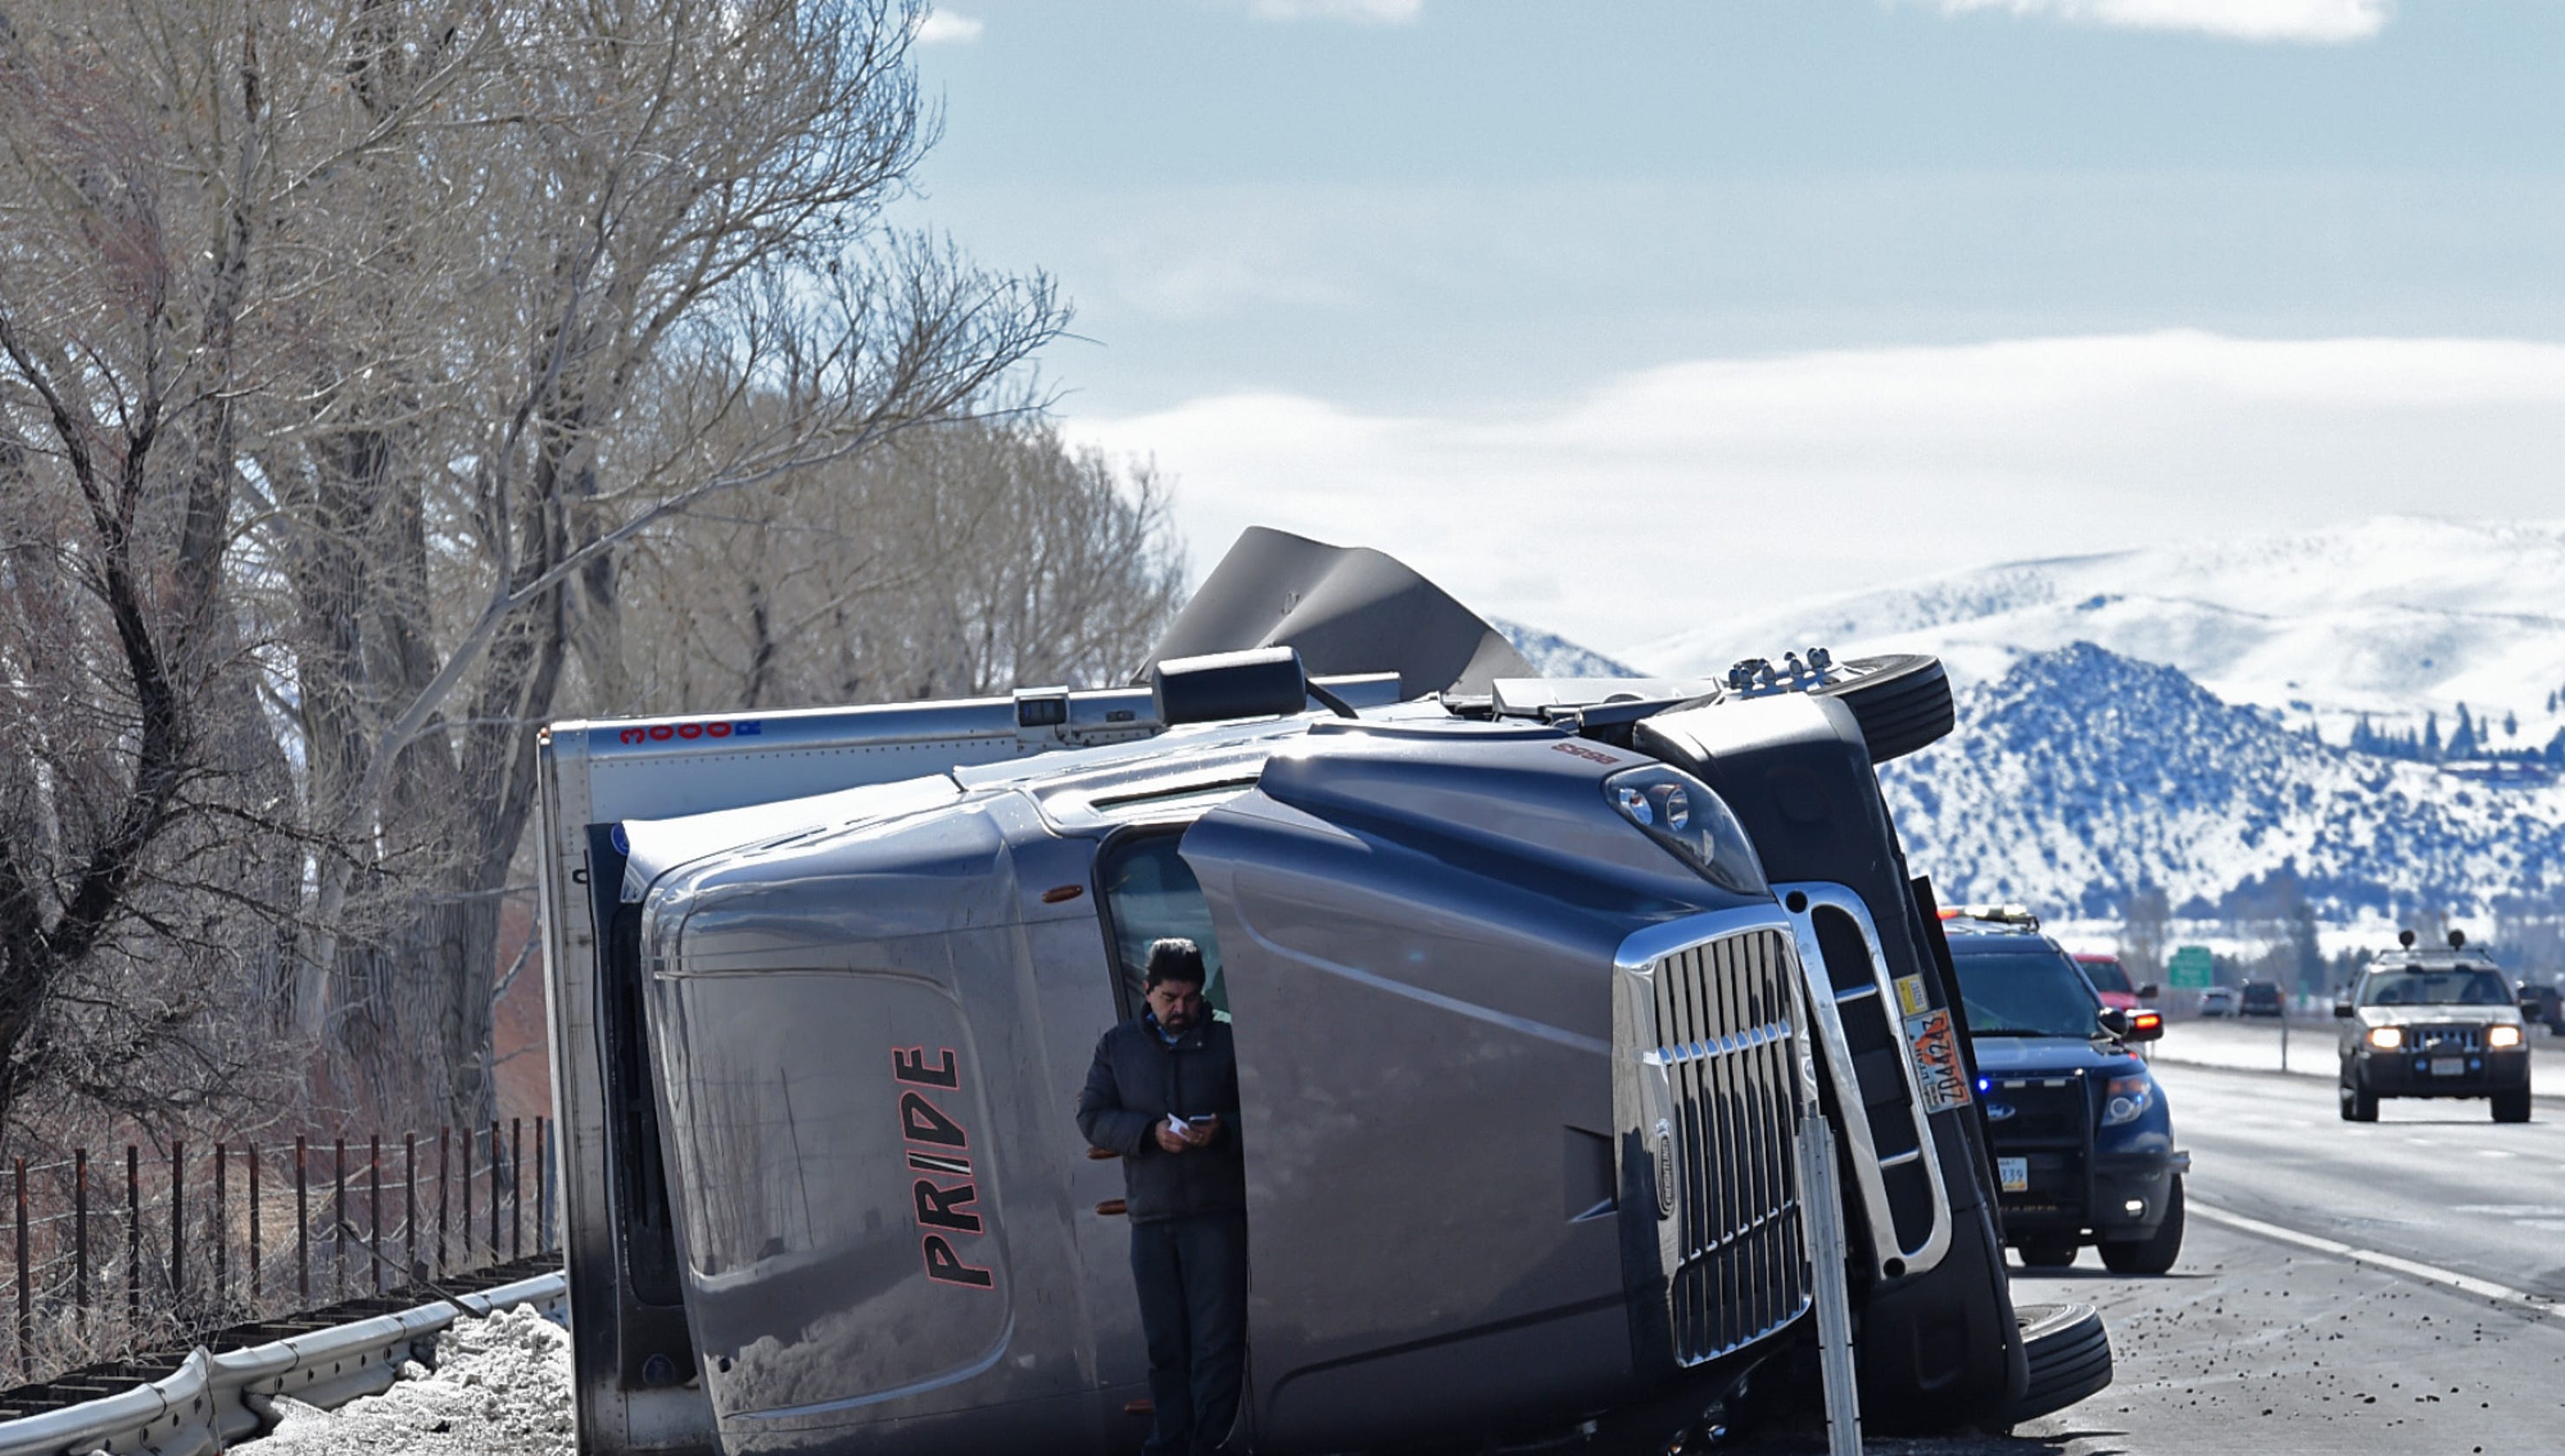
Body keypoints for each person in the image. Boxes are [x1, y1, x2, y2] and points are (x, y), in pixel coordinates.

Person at [1077, 938, 1248, 1456]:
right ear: (1146, 992)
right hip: (1151, 1219)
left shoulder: (1225, 1042)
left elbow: (1265, 1107)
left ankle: (1212, 1444)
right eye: (1171, 998)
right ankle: (1169, 1442)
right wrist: (1149, 1133)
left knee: (1217, 1344)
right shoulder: (1118, 1046)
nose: (1183, 1009)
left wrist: (1223, 1131)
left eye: (1192, 998)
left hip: (1216, 1216)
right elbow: (1092, 1118)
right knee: (1166, 1346)